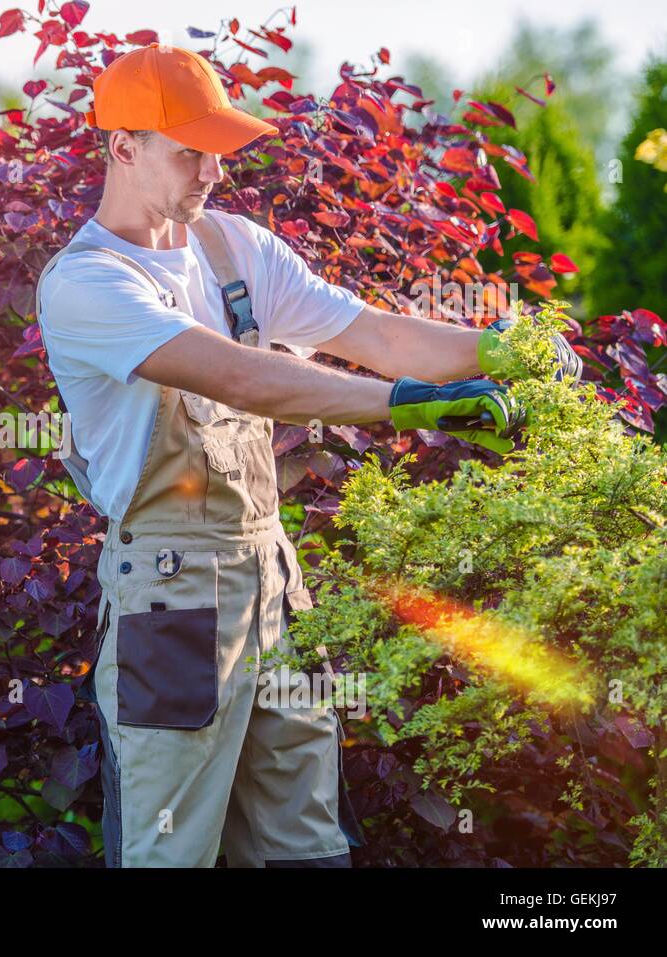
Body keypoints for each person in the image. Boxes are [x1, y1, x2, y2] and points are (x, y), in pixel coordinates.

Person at [34, 42, 581, 868]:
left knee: (309, 846)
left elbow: (374, 334)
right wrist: (404, 406)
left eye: (217, 150)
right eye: (189, 152)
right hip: (172, 607)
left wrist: (495, 351)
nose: (212, 170)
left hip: (275, 592)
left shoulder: (231, 250)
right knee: (167, 854)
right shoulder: (86, 283)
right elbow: (238, 374)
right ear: (122, 146)